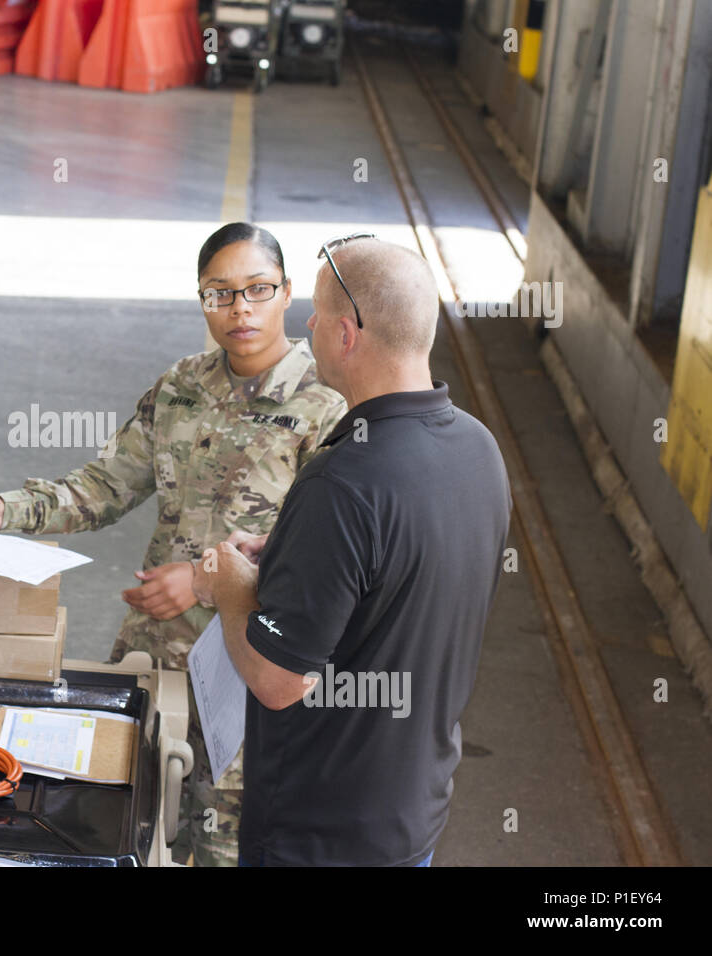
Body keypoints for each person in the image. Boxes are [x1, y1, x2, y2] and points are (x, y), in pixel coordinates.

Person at [0, 222, 346, 865]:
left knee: (232, 844)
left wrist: (203, 582)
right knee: (128, 827)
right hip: (156, 661)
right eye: (219, 293)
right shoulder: (182, 387)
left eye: (258, 289)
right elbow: (100, 488)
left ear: (288, 294)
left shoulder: (328, 407)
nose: (240, 309)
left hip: (255, 672)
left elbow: (325, 561)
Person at [192, 235, 512, 866]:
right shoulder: (478, 449)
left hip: (318, 838)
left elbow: (280, 680)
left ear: (347, 334)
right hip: (410, 816)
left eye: (315, 312)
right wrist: (292, 555)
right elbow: (398, 580)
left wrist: (231, 589)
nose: (305, 323)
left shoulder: (343, 482)